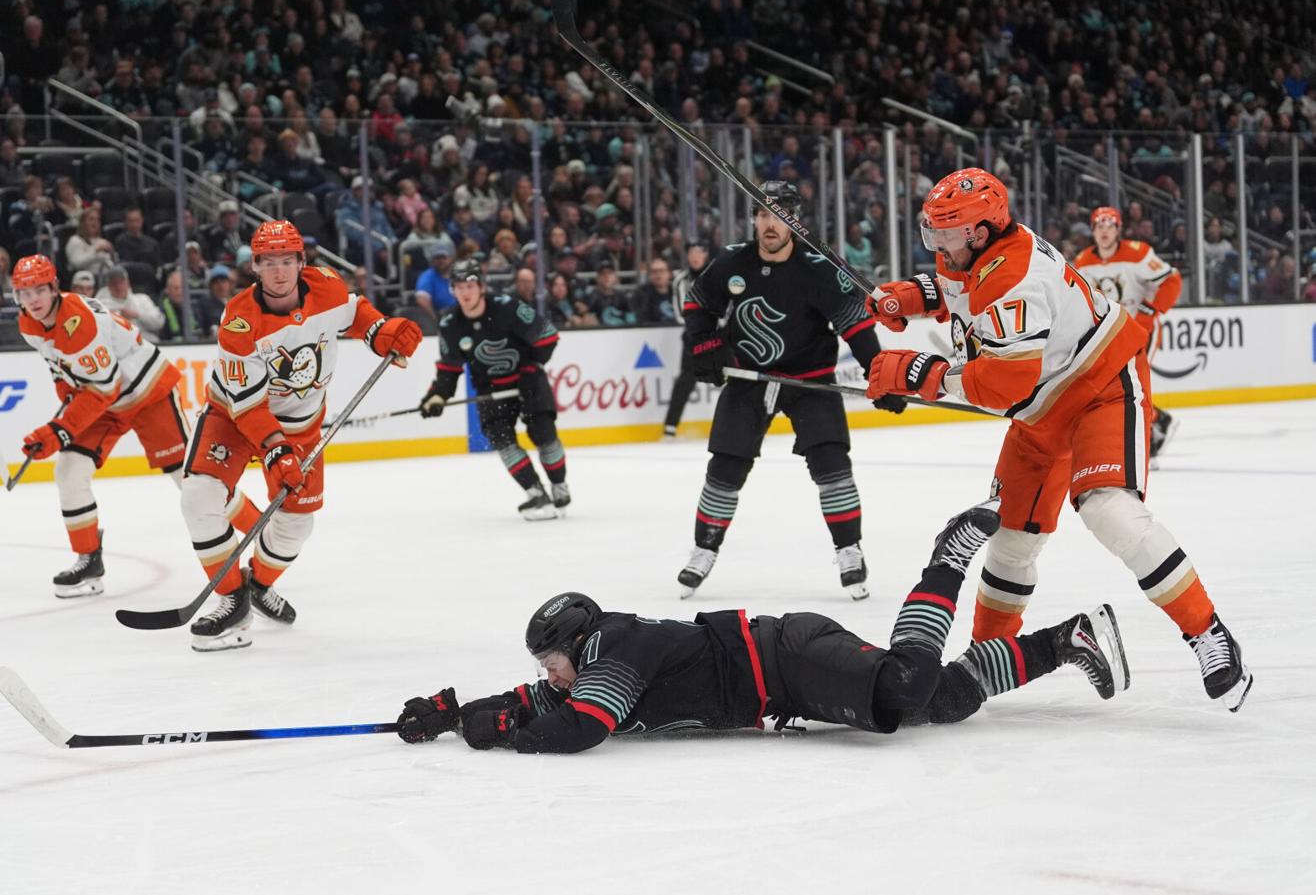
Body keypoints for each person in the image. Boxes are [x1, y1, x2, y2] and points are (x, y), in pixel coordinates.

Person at [863, 168, 1251, 710]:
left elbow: (1002, 383)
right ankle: (988, 660)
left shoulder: (1013, 275)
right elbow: (957, 293)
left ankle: (1208, 632)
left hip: (1100, 388)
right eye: (934, 230)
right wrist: (909, 297)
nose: (936, 242)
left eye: (946, 232)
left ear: (979, 232)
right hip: (1040, 410)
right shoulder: (970, 252)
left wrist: (920, 375)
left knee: (1109, 511)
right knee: (1011, 540)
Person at [395, 500, 1129, 753]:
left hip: (787, 652)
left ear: (577, 641)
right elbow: (540, 702)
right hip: (785, 685)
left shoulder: (615, 647)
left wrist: (510, 737)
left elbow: (581, 726)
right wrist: (453, 714)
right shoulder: (593, 659)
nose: (547, 672)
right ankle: (1067, 640)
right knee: (939, 702)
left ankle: (947, 557)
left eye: (550, 657)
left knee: (909, 685)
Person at [179, 220, 421, 651]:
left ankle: (258, 586)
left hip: (303, 425)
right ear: (254, 266)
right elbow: (248, 405)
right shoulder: (238, 321)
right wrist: (276, 452)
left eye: (287, 261)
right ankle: (232, 600)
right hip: (233, 416)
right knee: (198, 493)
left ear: (301, 262)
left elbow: (356, 311)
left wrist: (381, 331)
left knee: (296, 526)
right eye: (269, 262)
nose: (279, 271)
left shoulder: (326, 286)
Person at [679, 180, 906, 600]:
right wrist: (705, 343)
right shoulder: (732, 261)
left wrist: (882, 375)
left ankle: (849, 549)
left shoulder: (819, 269)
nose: (770, 223)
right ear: (753, 219)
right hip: (749, 380)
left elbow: (856, 327)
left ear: (795, 220)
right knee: (725, 468)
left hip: (810, 381)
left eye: (780, 214)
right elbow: (697, 303)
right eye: (763, 214)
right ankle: (703, 549)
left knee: (832, 464)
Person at [11, 254, 265, 598]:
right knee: (69, 470)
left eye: (39, 290)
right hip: (103, 394)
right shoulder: (29, 323)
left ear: (55, 287)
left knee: (193, 482)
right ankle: (89, 560)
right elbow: (66, 372)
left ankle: (263, 534)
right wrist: (66, 405)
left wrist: (59, 430)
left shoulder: (78, 323)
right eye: (24, 294)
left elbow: (104, 389)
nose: (33, 300)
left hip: (147, 393)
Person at [419, 258, 569, 520]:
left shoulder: (508, 307)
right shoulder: (449, 324)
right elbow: (449, 368)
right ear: (453, 290)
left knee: (544, 435)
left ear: (481, 287)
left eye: (470, 286)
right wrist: (437, 395)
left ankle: (559, 484)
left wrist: (530, 369)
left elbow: (548, 336)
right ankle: (535, 493)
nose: (465, 293)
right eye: (459, 287)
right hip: (490, 390)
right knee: (502, 441)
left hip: (528, 381)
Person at [1073, 206, 1184, 457]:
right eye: (1099, 226)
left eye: (1109, 226)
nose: (1104, 231)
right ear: (1092, 230)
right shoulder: (1083, 261)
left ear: (1118, 229)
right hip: (1108, 335)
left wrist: (1150, 310)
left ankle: (1150, 431)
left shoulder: (1138, 253)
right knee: (1114, 386)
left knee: (1133, 384)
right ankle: (1157, 419)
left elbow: (1171, 280)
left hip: (1139, 331)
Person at [662, 242, 711, 438]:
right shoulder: (681, 280)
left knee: (736, 378)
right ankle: (670, 427)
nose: (694, 256)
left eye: (698, 251)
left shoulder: (717, 275)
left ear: (705, 254)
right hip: (693, 336)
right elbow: (680, 312)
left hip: (719, 333)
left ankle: (748, 425)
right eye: (691, 252)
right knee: (686, 379)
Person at [95, 266, 165, 340]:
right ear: (108, 286)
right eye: (114, 283)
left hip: (145, 341)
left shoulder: (143, 300)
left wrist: (137, 315)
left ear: (128, 283)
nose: (118, 286)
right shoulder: (101, 305)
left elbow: (159, 323)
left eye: (121, 282)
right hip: (116, 343)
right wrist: (117, 317)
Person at [413, 237, 456, 316]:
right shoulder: (427, 276)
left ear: (451, 258)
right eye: (437, 258)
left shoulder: (458, 273)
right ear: (432, 260)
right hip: (442, 316)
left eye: (443, 257)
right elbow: (421, 299)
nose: (440, 261)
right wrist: (434, 319)